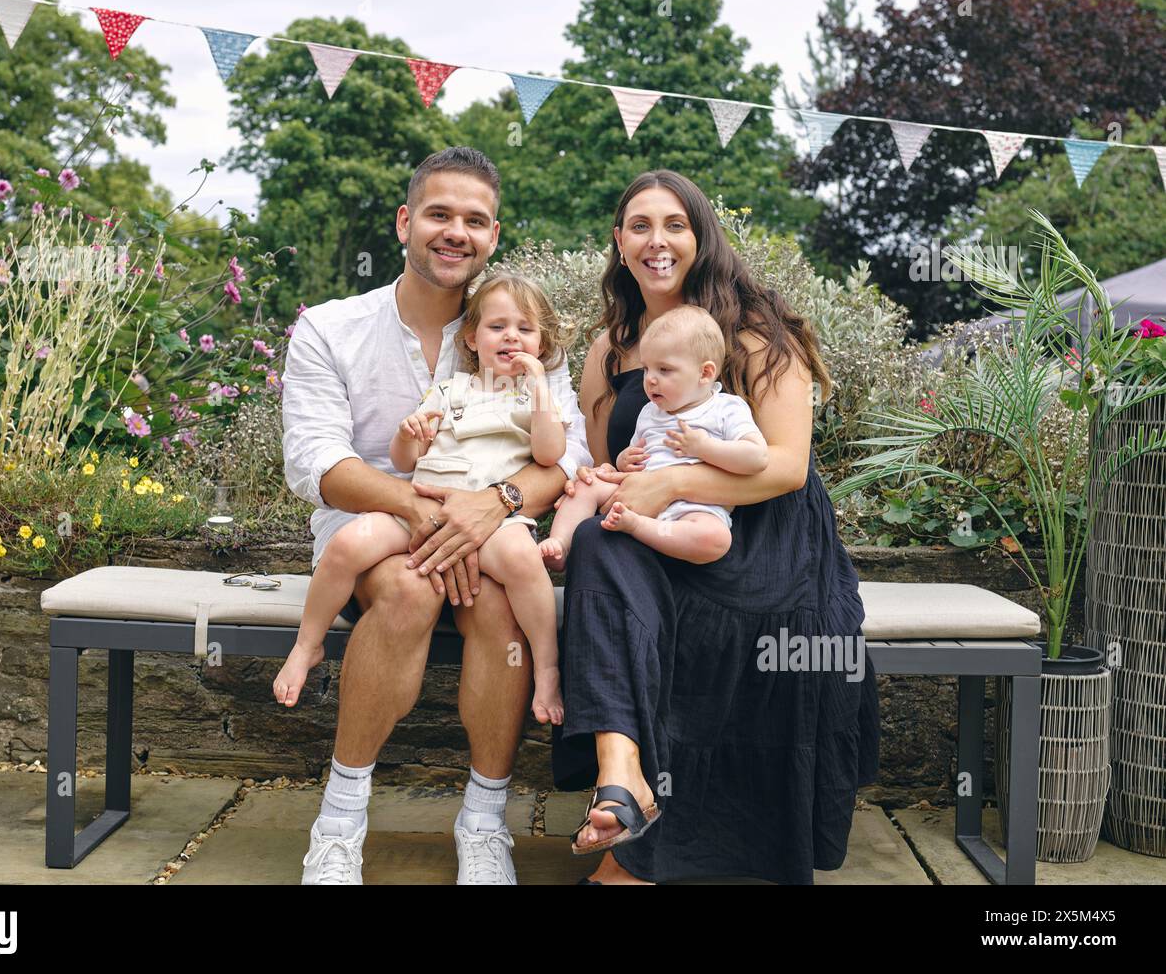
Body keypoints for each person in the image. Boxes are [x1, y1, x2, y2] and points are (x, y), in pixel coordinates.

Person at [552, 169, 879, 885]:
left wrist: (669, 480)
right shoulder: (610, 348)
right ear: (619, 240)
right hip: (663, 528)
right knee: (598, 540)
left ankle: (631, 853)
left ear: (700, 237)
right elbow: (610, 463)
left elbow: (787, 467)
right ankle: (622, 774)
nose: (657, 241)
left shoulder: (755, 331)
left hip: (768, 538)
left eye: (675, 225)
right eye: (639, 225)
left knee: (701, 621)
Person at [280, 147, 592, 885]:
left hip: (493, 519)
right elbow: (314, 463)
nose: (456, 232)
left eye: (475, 221)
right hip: (375, 523)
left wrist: (496, 505)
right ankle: (340, 819)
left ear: (493, 234)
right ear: (405, 222)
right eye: (439, 214)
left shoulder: (517, 329)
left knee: (495, 603)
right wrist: (423, 511)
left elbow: (567, 455)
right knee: (410, 588)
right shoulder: (331, 328)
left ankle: (485, 823)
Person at [275, 272, 571, 726]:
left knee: (523, 563)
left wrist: (540, 388)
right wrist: (409, 436)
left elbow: (552, 455)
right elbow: (406, 459)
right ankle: (306, 643)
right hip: (418, 505)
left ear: (543, 345)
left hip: (490, 518)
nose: (511, 337)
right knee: (350, 544)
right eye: (497, 328)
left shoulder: (532, 397)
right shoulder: (450, 388)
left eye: (526, 330)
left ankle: (547, 669)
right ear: (471, 339)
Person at [542, 303, 767, 569]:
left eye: (665, 370)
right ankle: (560, 545)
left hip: (695, 508)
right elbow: (633, 460)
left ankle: (638, 527)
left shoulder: (725, 408)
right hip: (641, 494)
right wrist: (625, 460)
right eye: (647, 369)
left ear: (705, 373)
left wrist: (705, 448)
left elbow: (757, 458)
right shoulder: (650, 412)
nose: (650, 379)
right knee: (587, 484)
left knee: (715, 539)